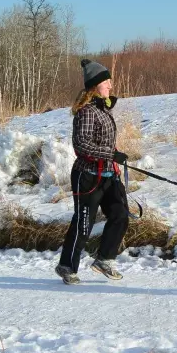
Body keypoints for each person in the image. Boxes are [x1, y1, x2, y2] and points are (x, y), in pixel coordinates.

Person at [55, 59, 130, 285]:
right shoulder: (87, 112)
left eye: (109, 81)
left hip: (108, 175)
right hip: (87, 177)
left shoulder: (102, 109)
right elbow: (81, 145)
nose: (110, 85)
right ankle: (67, 266)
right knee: (83, 224)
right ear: (95, 85)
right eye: (106, 82)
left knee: (120, 215)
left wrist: (115, 157)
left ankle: (104, 259)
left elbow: (101, 142)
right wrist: (110, 155)